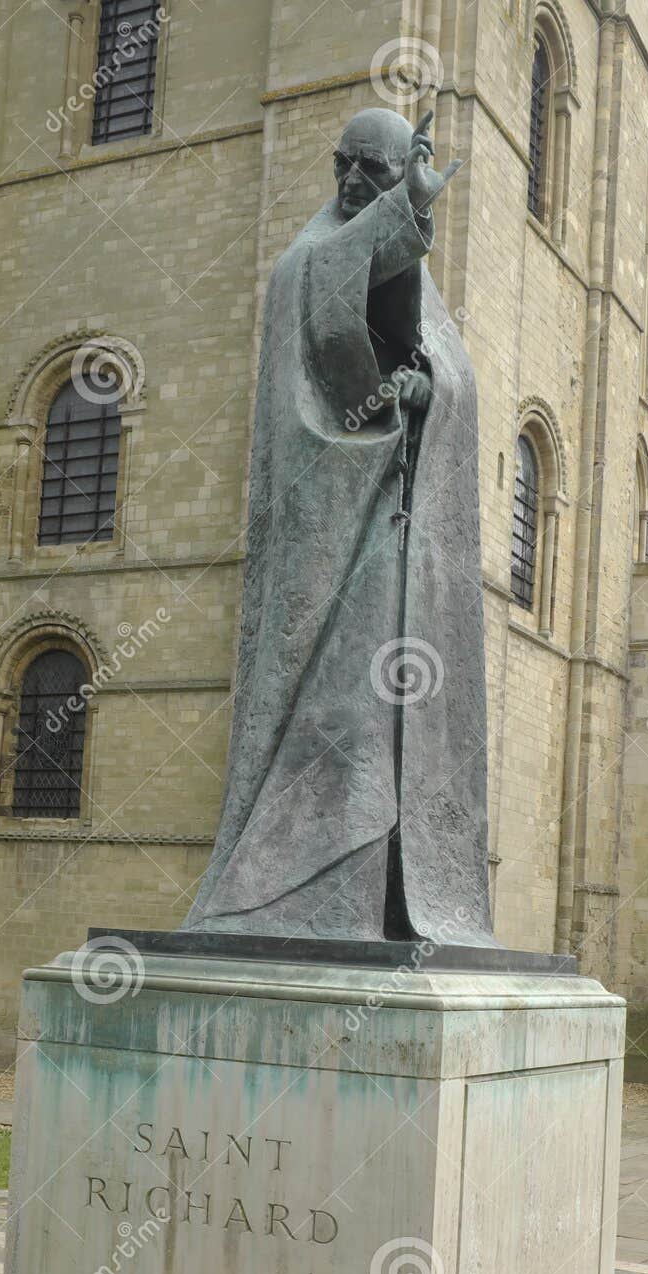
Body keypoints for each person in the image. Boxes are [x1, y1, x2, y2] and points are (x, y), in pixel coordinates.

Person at [183, 107, 494, 947]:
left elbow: (447, 379)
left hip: (400, 528)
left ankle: (393, 901)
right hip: (338, 527)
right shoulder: (305, 258)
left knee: (401, 717)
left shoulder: (416, 290)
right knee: (343, 708)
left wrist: (427, 394)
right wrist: (411, 213)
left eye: (376, 171)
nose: (353, 182)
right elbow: (327, 319)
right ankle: (303, 897)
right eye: (343, 165)